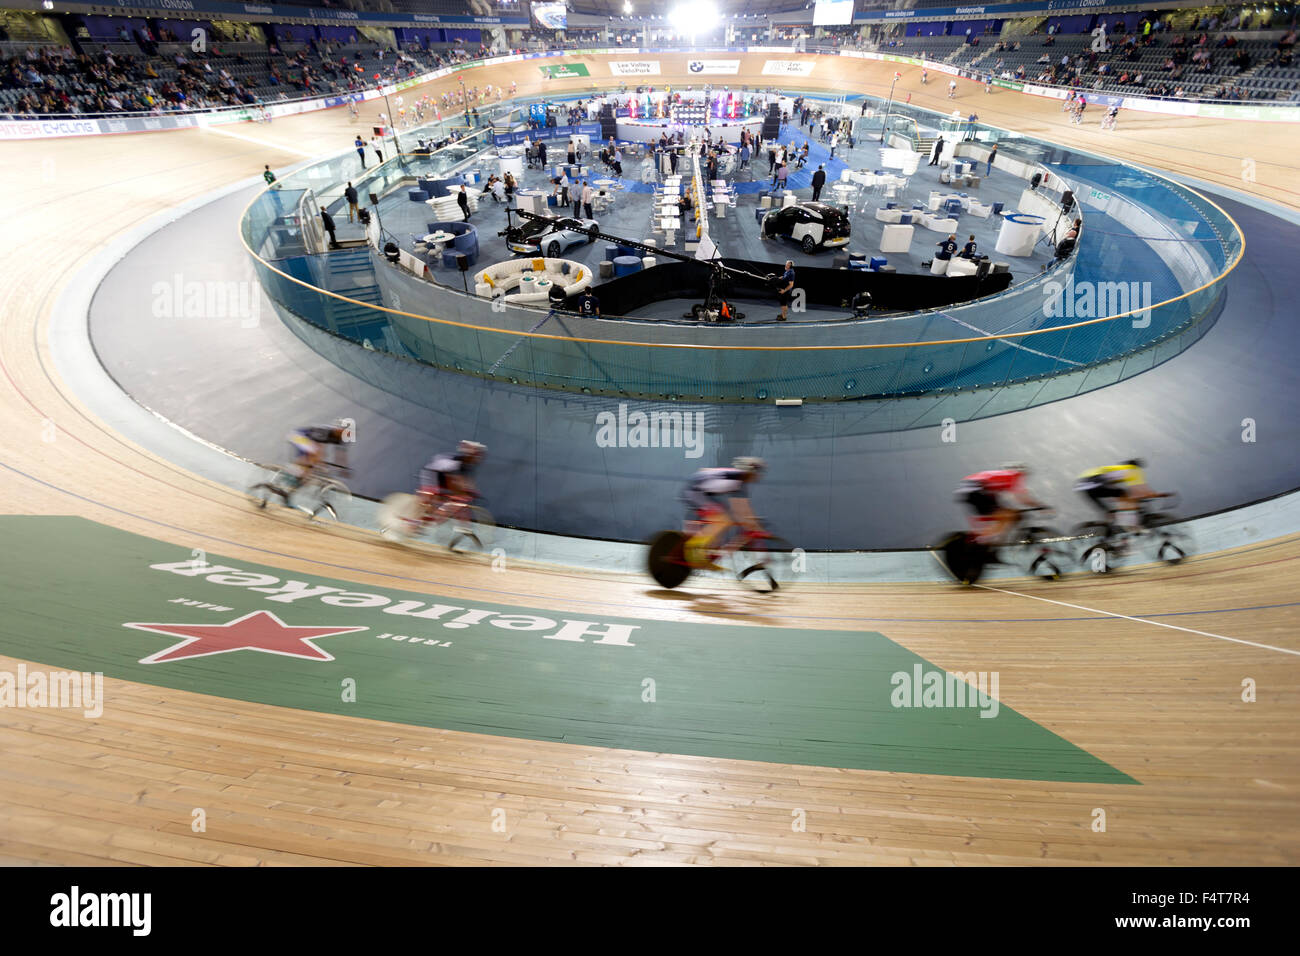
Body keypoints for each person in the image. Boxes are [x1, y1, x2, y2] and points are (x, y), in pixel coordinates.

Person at [680, 457, 767, 570]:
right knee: (723, 520)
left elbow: (744, 508)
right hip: (695, 492)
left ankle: (707, 552)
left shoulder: (738, 479)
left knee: (724, 519)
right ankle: (694, 548)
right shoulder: (737, 479)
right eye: (757, 473)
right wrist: (754, 525)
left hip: (701, 492)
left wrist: (752, 522)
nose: (757, 476)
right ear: (750, 471)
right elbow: (740, 510)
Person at [956, 463, 1047, 545]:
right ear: (1021, 472)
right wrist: (1041, 506)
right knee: (1007, 516)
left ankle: (986, 540)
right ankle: (980, 540)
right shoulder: (1013, 476)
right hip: (977, 490)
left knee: (1007, 514)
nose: (1024, 479)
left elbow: (1002, 500)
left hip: (974, 488)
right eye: (1024, 476)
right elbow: (1023, 499)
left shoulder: (1003, 476)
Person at [1074, 459, 1170, 536]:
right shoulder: (1133, 470)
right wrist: (1159, 495)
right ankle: (1131, 526)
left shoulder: (1119, 469)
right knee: (1125, 495)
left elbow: (1112, 487)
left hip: (1085, 486)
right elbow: (1140, 489)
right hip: (1093, 484)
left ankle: (1108, 533)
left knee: (1113, 509)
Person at [415, 441, 486, 526]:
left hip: (443, 476)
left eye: (479, 456)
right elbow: (451, 480)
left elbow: (466, 481)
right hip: (432, 473)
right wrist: (459, 493)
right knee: (439, 495)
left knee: (458, 495)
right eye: (476, 455)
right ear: (469, 454)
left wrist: (473, 492)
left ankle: (433, 514)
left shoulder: (467, 466)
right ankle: (419, 518)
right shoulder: (456, 462)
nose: (478, 458)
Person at [284, 421, 350, 497]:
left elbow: (339, 455)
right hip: (297, 436)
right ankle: (292, 471)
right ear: (338, 429)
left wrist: (343, 468)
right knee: (313, 454)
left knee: (311, 461)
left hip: (306, 440)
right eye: (343, 431)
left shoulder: (339, 439)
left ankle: (294, 482)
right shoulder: (326, 431)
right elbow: (318, 447)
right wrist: (320, 463)